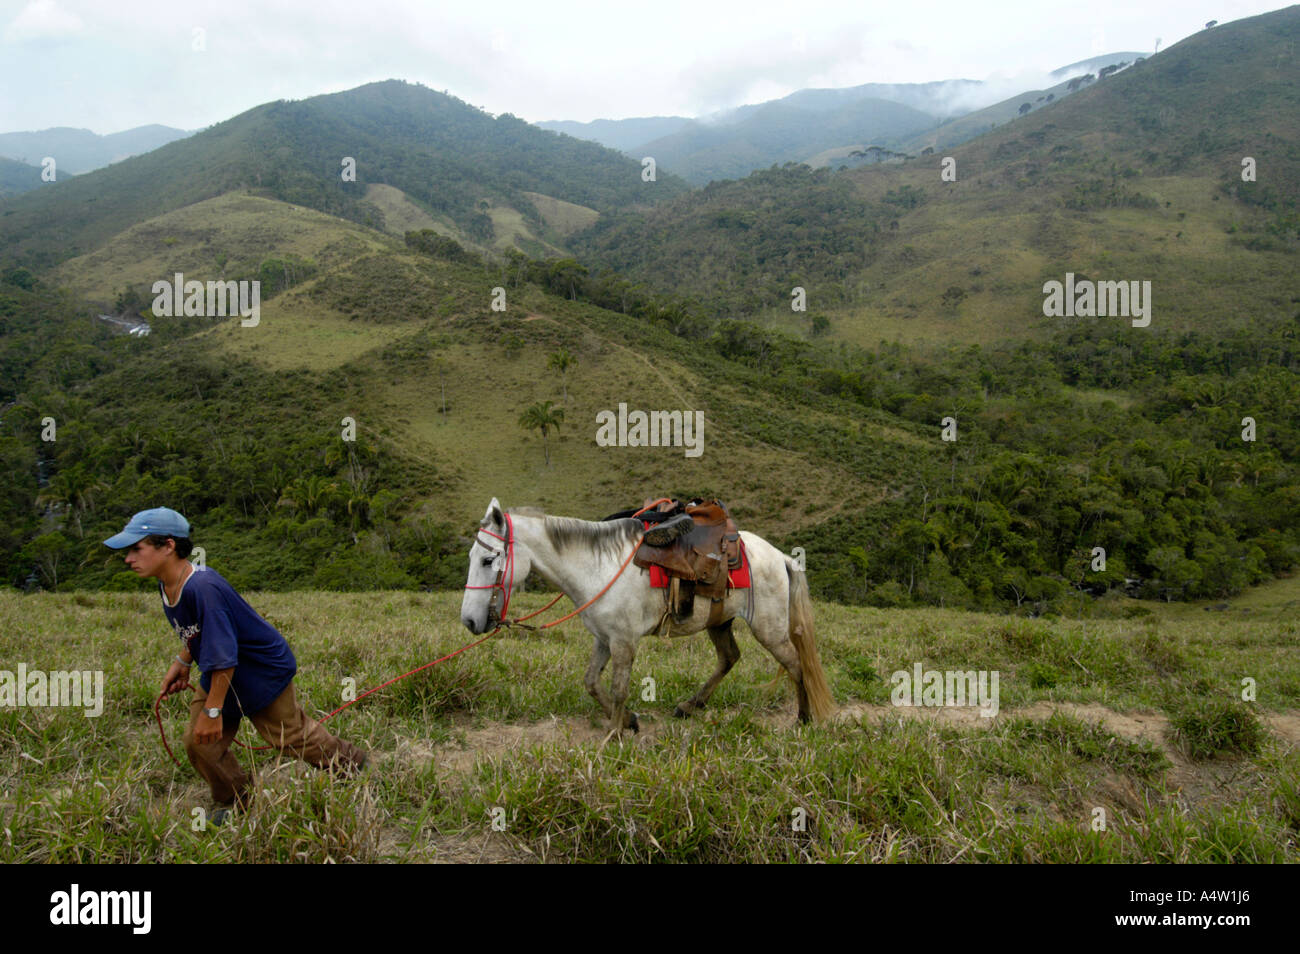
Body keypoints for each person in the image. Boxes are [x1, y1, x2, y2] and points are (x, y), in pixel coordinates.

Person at [104, 507, 367, 824]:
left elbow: (225, 653)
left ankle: (352, 764)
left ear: (168, 546)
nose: (128, 558)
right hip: (221, 673)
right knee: (199, 743)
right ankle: (235, 799)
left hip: (260, 671)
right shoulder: (166, 584)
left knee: (290, 737)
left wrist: (213, 711)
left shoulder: (203, 588)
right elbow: (203, 632)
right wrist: (183, 660)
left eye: (137, 548)